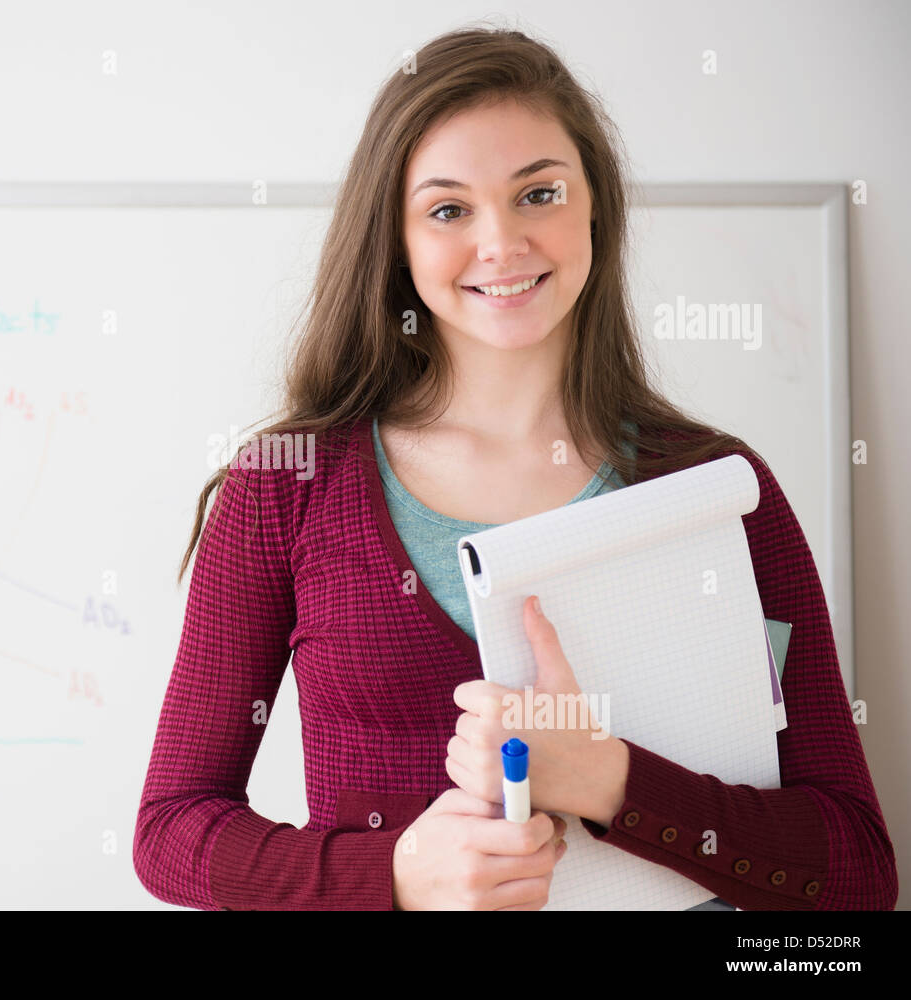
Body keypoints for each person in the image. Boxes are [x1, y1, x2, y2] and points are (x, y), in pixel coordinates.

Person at [132, 24, 897, 910]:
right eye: (448, 210)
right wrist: (393, 875)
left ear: (595, 207)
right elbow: (171, 831)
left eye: (538, 193)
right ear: (397, 240)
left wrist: (610, 780)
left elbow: (857, 874)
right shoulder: (285, 487)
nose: (500, 243)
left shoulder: (717, 491)